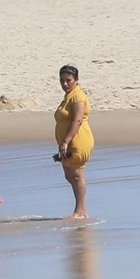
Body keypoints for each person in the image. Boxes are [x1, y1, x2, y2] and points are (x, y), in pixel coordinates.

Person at [55, 64, 93, 219]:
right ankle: (80, 209)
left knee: (76, 175)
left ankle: (80, 211)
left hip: (78, 141)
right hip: (67, 142)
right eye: (62, 80)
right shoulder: (68, 96)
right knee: (69, 175)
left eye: (68, 80)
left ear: (76, 80)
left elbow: (77, 120)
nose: (65, 84)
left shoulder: (78, 96)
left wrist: (66, 141)